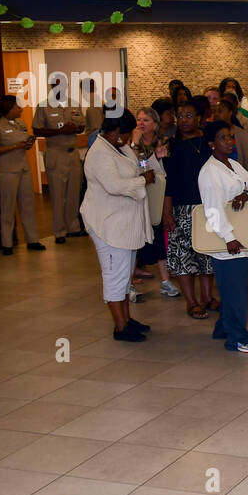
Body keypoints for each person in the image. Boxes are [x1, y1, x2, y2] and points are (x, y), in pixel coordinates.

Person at [81, 110, 154, 342]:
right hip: (108, 224)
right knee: (114, 276)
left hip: (124, 223)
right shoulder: (99, 153)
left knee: (125, 276)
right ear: (113, 131)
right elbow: (113, 185)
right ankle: (120, 327)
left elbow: (133, 167)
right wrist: (143, 180)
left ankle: (127, 318)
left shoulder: (119, 146)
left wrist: (144, 169)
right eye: (125, 132)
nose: (128, 137)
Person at [199, 121, 248, 353]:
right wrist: (228, 237)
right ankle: (238, 338)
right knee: (235, 291)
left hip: (241, 234)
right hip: (227, 240)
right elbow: (212, 210)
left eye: (230, 137)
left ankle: (223, 328)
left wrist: (246, 195)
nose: (229, 141)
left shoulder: (233, 164)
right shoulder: (209, 172)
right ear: (210, 144)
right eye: (223, 138)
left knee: (232, 288)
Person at [162, 98, 215, 319]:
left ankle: (207, 297)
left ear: (199, 118)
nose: (183, 120)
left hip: (206, 206)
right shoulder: (171, 146)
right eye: (180, 116)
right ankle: (191, 302)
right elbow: (169, 181)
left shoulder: (208, 143)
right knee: (184, 255)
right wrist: (167, 212)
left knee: (207, 255)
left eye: (189, 116)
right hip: (182, 207)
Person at [129, 107, 179, 300]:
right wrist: (136, 145)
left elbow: (164, 172)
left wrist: (156, 159)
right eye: (139, 119)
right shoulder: (131, 144)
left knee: (158, 238)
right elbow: (134, 167)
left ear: (156, 125)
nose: (141, 123)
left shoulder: (163, 143)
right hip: (136, 197)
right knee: (135, 239)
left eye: (146, 120)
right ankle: (130, 282)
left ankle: (165, 281)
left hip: (156, 197)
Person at [0, 95, 45, 256]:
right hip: (7, 171)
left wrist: (27, 144)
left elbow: (24, 144)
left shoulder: (21, 123)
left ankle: (32, 239)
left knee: (28, 205)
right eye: (17, 107)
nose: (20, 109)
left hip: (23, 168)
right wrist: (14, 146)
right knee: (8, 207)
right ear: (9, 108)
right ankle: (7, 243)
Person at [33, 94, 86, 244]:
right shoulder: (43, 106)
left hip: (73, 153)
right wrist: (61, 130)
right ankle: (59, 231)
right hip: (56, 154)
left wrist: (74, 128)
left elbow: (82, 126)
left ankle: (73, 228)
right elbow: (37, 130)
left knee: (74, 193)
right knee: (58, 194)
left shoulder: (74, 104)